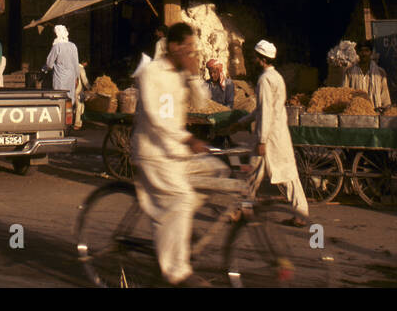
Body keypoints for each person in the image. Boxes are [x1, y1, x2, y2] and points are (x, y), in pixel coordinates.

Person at [131, 22, 225, 286]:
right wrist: (188, 138)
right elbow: (155, 118)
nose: (191, 53)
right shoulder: (152, 73)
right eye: (188, 48)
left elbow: (202, 103)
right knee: (182, 198)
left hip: (176, 152)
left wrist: (194, 75)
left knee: (217, 172)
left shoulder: (182, 73)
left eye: (194, 49)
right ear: (173, 46)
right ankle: (176, 272)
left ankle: (174, 230)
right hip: (154, 153)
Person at [234, 40, 309, 224]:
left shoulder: (265, 80)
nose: (252, 60)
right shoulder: (276, 77)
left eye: (254, 57)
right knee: (281, 174)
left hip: (269, 135)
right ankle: (300, 212)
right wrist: (242, 122)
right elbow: (261, 110)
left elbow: (265, 111)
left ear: (261, 59)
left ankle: (246, 208)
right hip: (275, 133)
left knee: (261, 173)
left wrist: (261, 140)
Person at [346, 41, 392, 110]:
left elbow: (385, 96)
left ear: (370, 52)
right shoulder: (350, 72)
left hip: (376, 112)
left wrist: (387, 110)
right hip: (356, 113)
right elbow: (345, 93)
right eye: (361, 51)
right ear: (357, 52)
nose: (364, 54)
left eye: (366, 50)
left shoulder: (380, 73)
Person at [44, 25, 81, 105]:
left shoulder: (57, 46)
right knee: (70, 99)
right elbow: (76, 63)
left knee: (60, 99)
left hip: (60, 79)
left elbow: (49, 64)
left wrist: (45, 68)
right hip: (71, 77)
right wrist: (77, 77)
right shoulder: (73, 46)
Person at [74, 59, 91, 128]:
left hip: (70, 88)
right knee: (79, 106)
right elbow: (84, 80)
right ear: (84, 63)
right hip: (77, 89)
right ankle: (77, 123)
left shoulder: (73, 67)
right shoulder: (81, 68)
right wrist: (89, 87)